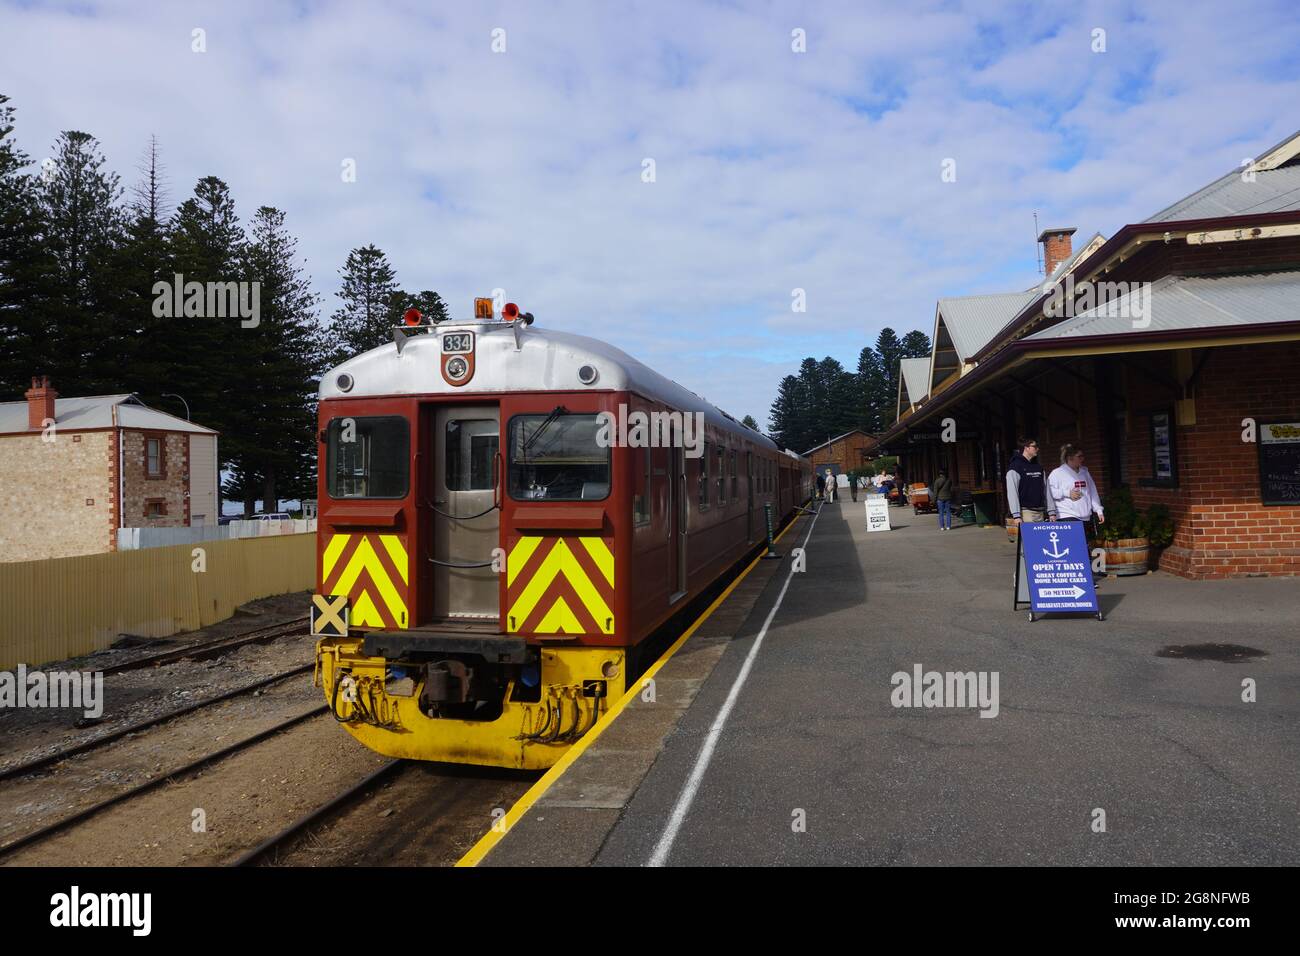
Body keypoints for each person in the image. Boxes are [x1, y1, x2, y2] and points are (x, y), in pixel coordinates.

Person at [1049, 444, 1105, 528]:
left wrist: (1099, 510)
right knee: (1073, 541)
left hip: (1085, 516)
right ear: (1069, 458)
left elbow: (1092, 492)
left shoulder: (1084, 472)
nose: (1082, 459)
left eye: (1082, 456)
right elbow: (1050, 492)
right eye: (1079, 456)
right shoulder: (1057, 473)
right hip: (1067, 515)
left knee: (1085, 541)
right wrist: (1067, 493)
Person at [1006, 437, 1055, 526]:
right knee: (1030, 539)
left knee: (1042, 539)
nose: (1038, 449)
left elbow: (1046, 490)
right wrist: (1016, 515)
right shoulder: (1015, 467)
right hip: (1025, 513)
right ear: (1026, 448)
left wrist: (1051, 511)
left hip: (1040, 513)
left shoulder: (1038, 467)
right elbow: (1012, 492)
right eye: (1035, 446)